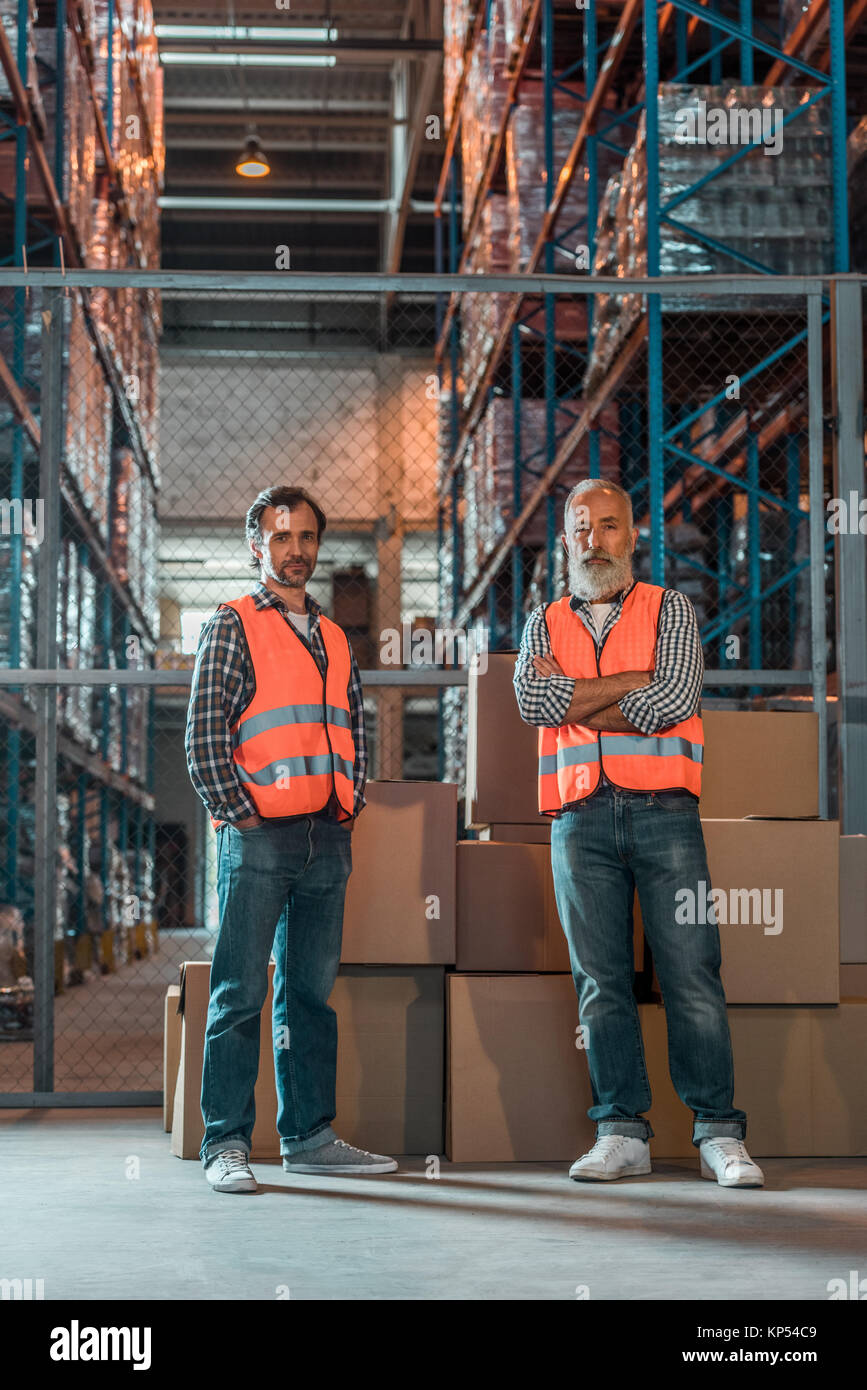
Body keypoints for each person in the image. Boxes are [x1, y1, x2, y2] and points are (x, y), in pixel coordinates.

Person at [513, 477, 763, 1189]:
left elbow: (674, 699)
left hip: (665, 819)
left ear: (632, 534)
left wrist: (577, 699)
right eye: (581, 529)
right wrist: (630, 683)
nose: (594, 540)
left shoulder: (669, 609)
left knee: (690, 975)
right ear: (566, 540)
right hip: (577, 819)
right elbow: (534, 700)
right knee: (600, 983)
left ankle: (718, 1132)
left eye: (609, 526)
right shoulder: (541, 623)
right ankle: (621, 1130)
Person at [185, 484, 398, 1193]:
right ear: (256, 545)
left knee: (308, 994)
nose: (295, 551)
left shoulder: (336, 636)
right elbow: (203, 736)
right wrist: (238, 813)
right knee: (238, 993)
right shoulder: (232, 623)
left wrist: (350, 803)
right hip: (260, 838)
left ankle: (308, 1136)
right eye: (280, 538)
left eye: (305, 538)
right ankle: (226, 1143)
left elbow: (354, 729)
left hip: (326, 838)